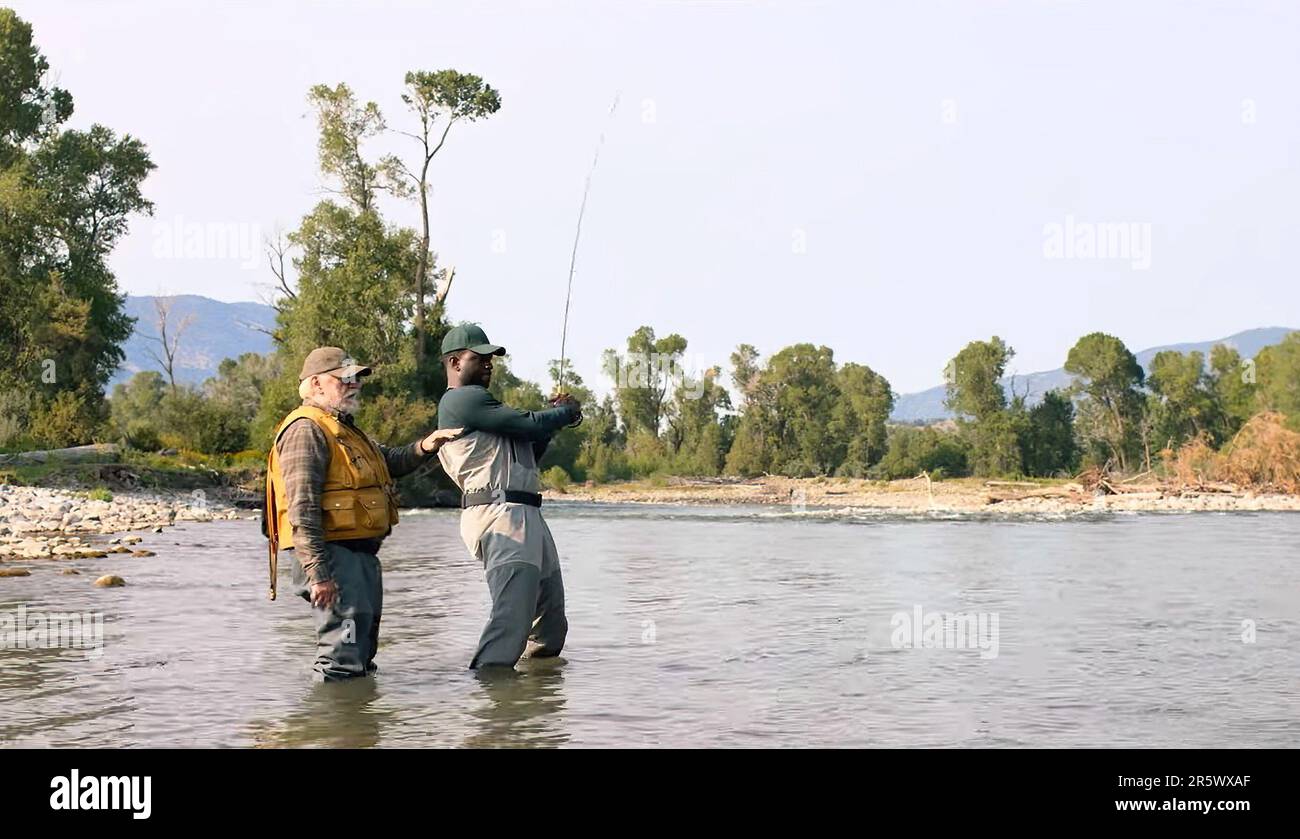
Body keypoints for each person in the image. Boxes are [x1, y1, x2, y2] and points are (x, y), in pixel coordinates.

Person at [265, 346, 462, 681]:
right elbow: (303, 508)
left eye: (356, 378)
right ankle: (334, 727)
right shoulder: (305, 430)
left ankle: (358, 728)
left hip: (358, 559)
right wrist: (319, 575)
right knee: (342, 656)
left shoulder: (344, 429)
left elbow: (390, 462)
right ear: (315, 384)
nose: (354, 384)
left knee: (361, 652)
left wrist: (426, 446)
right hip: (332, 560)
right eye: (345, 378)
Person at [435, 324, 581, 669]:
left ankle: (531, 705)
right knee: (512, 618)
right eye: (480, 357)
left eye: (491, 358)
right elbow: (529, 423)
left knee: (549, 624)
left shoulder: (489, 412)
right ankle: (491, 696)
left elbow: (530, 445)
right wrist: (567, 412)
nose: (489, 363)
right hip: (499, 514)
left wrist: (555, 421)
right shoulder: (461, 399)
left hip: (525, 514)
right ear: (455, 363)